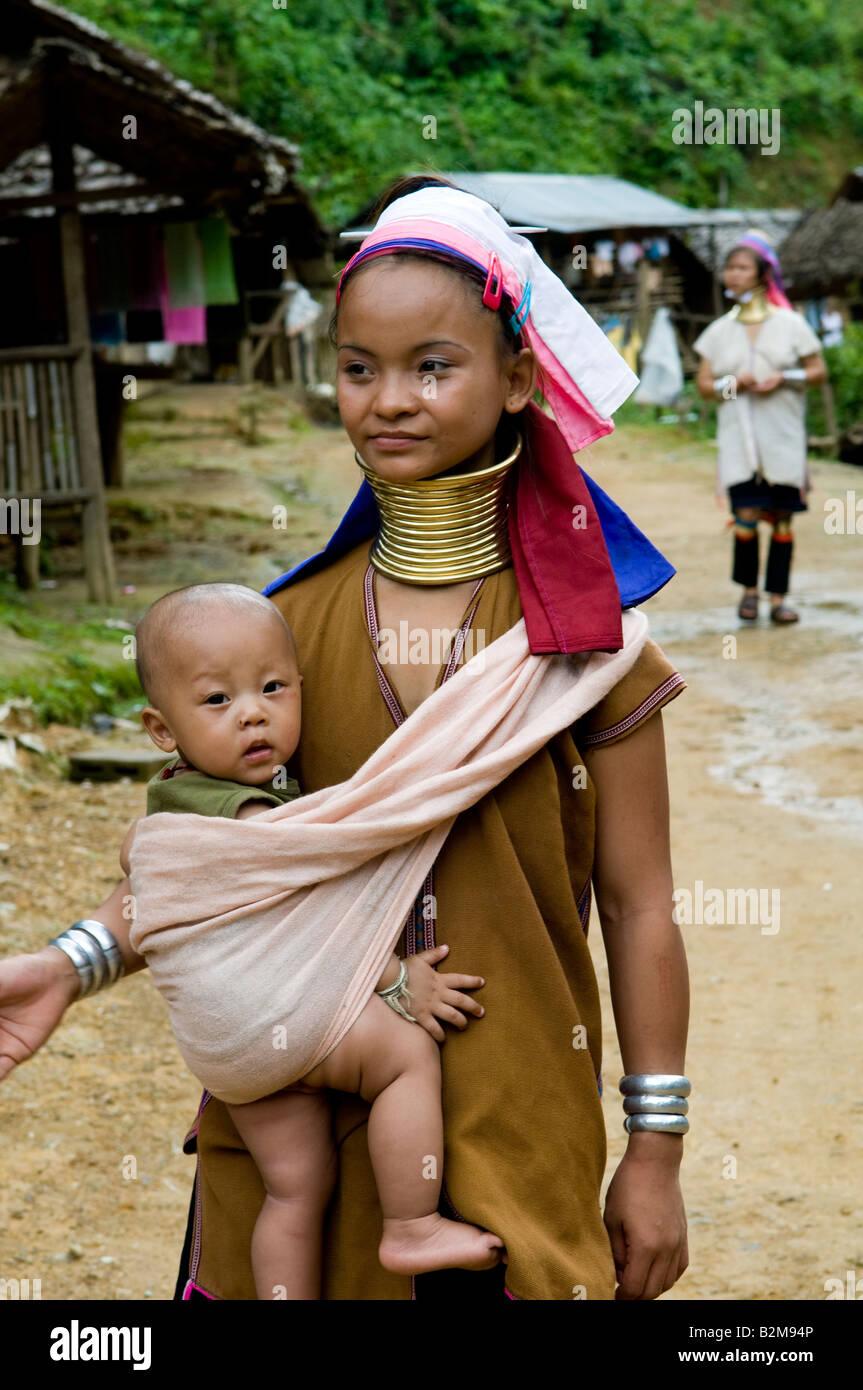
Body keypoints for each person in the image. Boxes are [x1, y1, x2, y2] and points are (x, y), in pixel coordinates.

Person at [0, 175, 691, 1302]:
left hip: (519, 1107)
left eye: (432, 364)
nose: (390, 399)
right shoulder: (278, 639)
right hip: (308, 1120)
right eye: (359, 367)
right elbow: (215, 859)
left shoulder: (585, 642)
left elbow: (639, 901)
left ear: (520, 378)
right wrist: (68, 966)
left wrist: (654, 1148)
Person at [119, 580, 504, 1298]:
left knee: (294, 1192)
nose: (253, 714)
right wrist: (392, 979)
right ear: (161, 730)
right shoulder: (256, 816)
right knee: (403, 1058)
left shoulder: (170, 801)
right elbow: (325, 908)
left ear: (302, 687)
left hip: (227, 1056)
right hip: (274, 1014)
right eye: (217, 701)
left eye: (272, 688)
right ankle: (411, 1225)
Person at [693, 230, 828, 624]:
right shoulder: (719, 332)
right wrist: (735, 384)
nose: (733, 275)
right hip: (740, 440)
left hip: (781, 437)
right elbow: (704, 386)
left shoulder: (791, 324)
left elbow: (818, 372)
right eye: (729, 267)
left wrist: (784, 378)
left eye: (742, 267)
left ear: (762, 274)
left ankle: (778, 599)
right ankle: (749, 594)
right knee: (747, 513)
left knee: (783, 518)